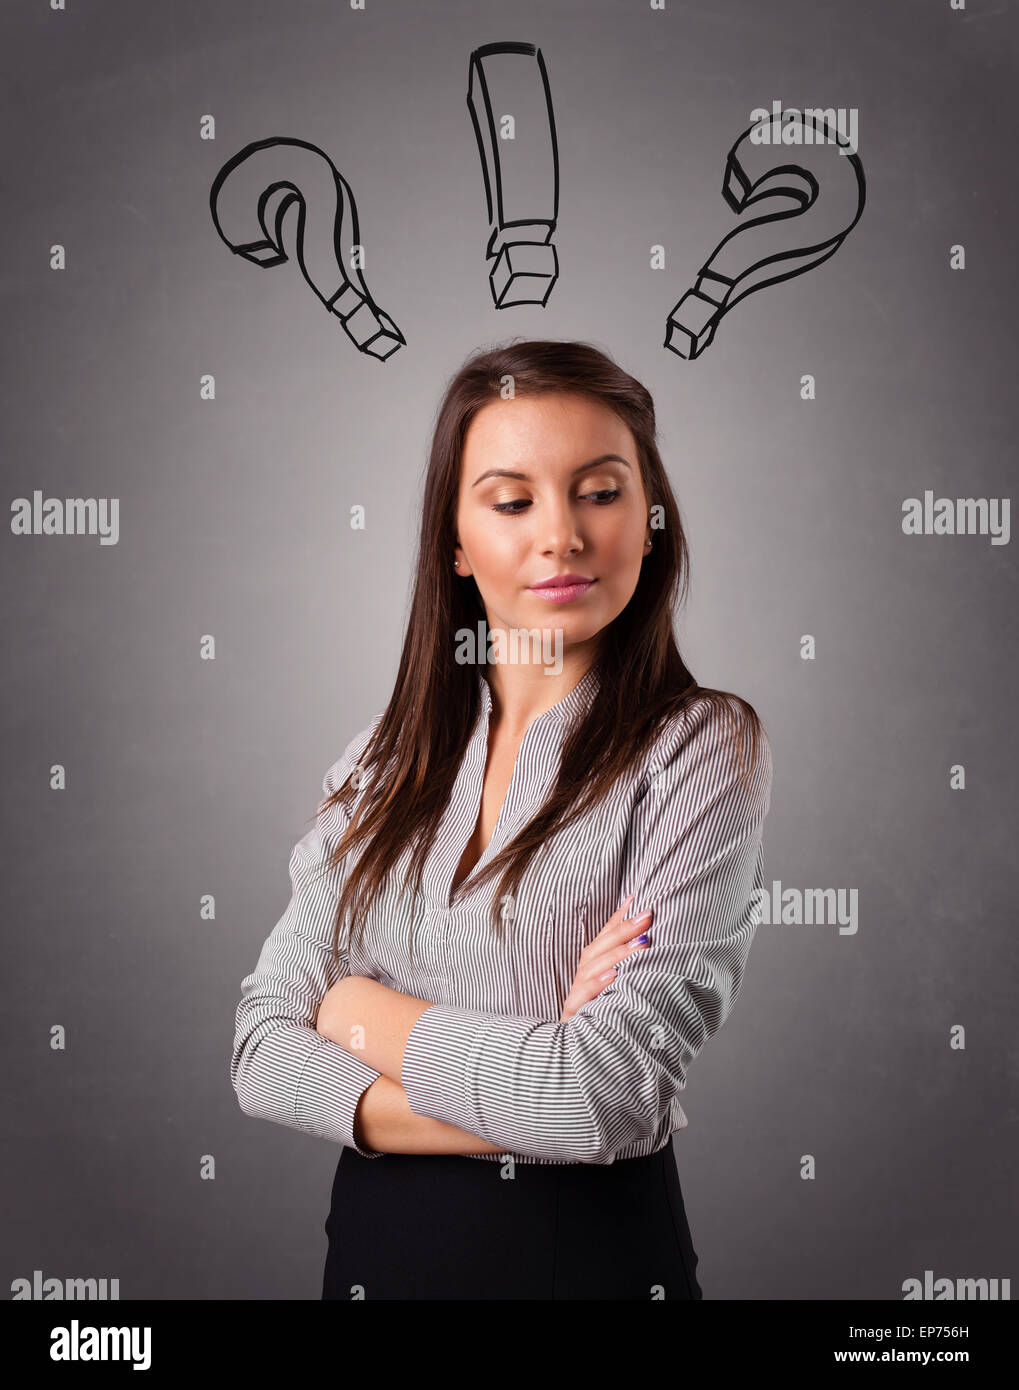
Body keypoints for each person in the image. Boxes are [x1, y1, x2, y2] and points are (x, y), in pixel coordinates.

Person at [230, 338, 773, 1300]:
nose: (560, 535)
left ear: (650, 520)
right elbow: (262, 1054)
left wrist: (354, 1011)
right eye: (512, 501)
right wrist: (545, 1087)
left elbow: (605, 1094)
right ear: (454, 537)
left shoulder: (698, 748)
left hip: (590, 1270)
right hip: (372, 1267)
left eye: (600, 492)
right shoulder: (378, 763)